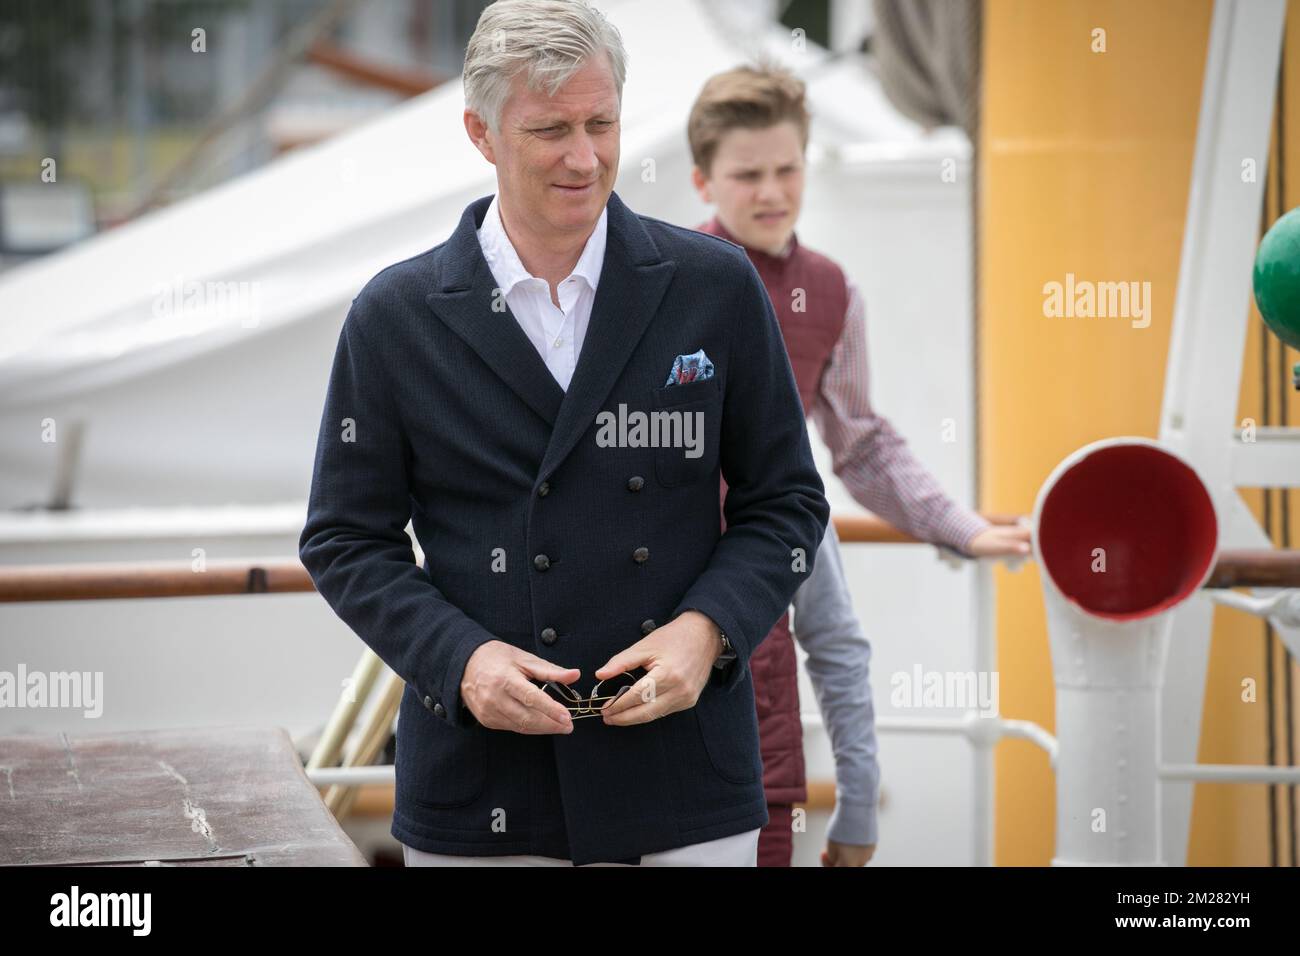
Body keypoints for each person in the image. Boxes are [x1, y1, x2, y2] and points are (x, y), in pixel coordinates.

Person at [298, 2, 828, 867]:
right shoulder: (393, 317)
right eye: (550, 129)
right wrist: (461, 662)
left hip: (685, 778)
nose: (585, 157)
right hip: (486, 786)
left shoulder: (715, 287)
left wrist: (708, 633)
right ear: (480, 132)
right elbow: (345, 539)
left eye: (601, 123)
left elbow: (789, 505)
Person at [687, 64, 1031, 866]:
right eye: (748, 175)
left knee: (771, 806)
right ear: (705, 180)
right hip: (663, 606)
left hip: (765, 602)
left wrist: (962, 529)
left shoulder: (831, 293)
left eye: (787, 169)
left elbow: (861, 442)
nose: (772, 191)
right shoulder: (665, 279)